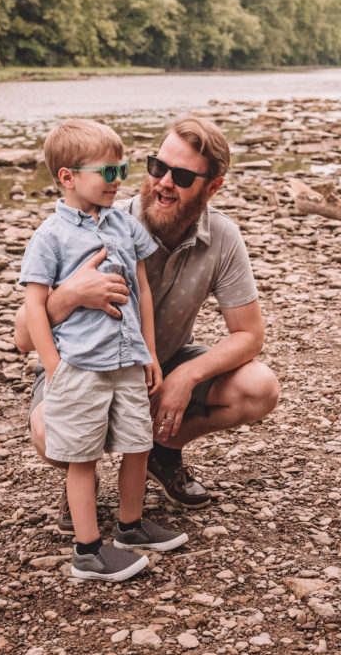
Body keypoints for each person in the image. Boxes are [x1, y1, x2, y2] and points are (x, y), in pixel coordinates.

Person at [15, 114, 279, 520]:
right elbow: (23, 338)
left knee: (259, 387)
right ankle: (81, 477)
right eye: (159, 167)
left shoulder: (224, 238)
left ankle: (160, 454)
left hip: (157, 364)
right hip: (80, 366)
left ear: (213, 187)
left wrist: (185, 376)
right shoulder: (96, 217)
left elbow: (249, 335)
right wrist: (68, 296)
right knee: (50, 434)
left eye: (183, 176)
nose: (164, 182)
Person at [19, 118, 187, 583]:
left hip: (128, 360)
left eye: (123, 170)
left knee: (137, 443)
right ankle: (88, 550)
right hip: (81, 366)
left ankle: (129, 528)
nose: (119, 182)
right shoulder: (50, 236)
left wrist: (149, 353)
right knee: (83, 456)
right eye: (107, 173)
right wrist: (54, 367)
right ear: (67, 177)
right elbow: (33, 307)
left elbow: (142, 292)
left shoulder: (124, 224)